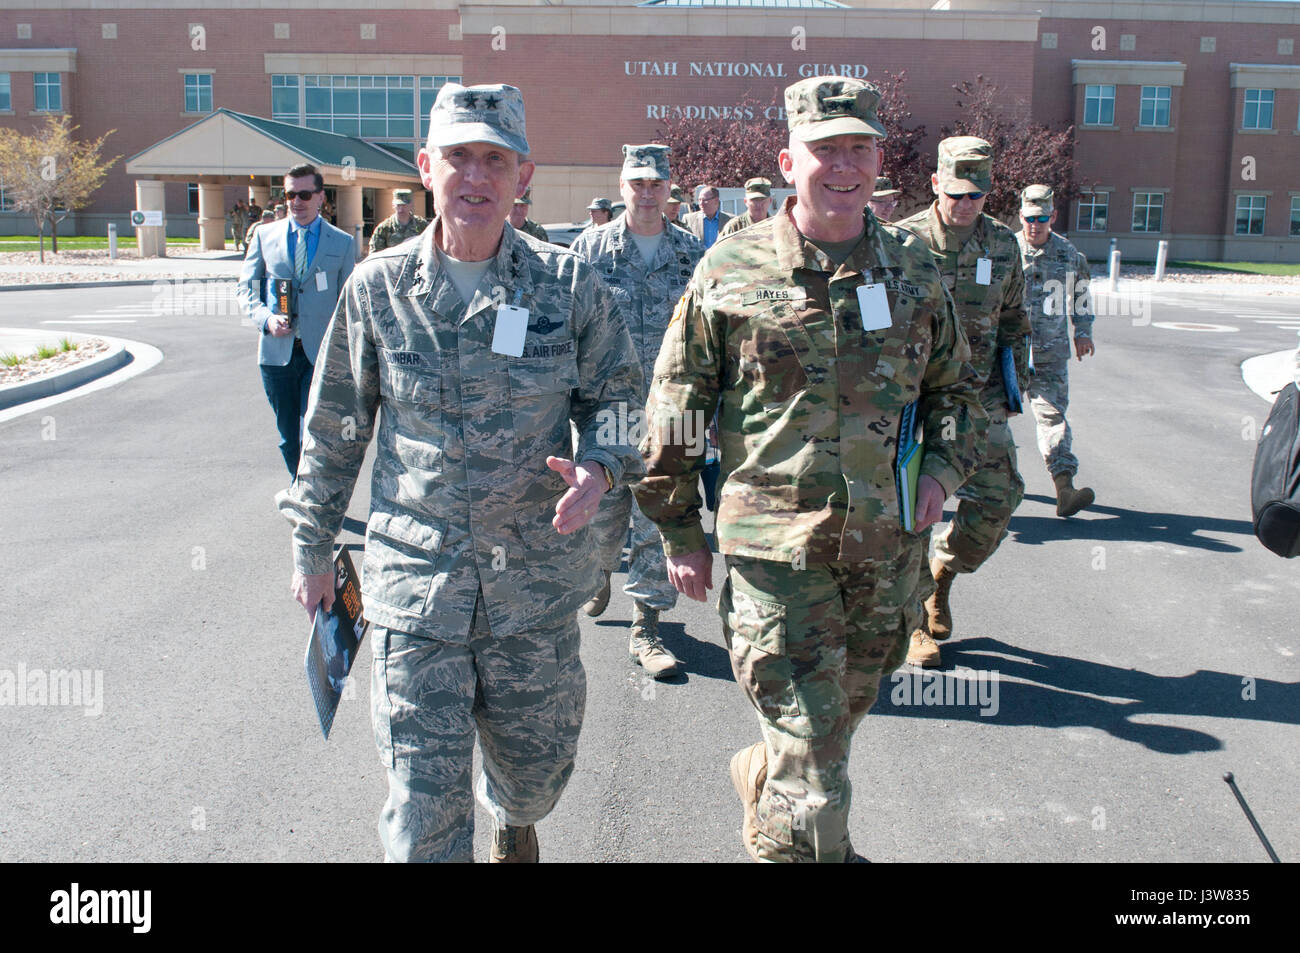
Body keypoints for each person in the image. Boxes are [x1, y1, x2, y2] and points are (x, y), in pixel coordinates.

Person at [276, 83, 644, 863]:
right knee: (421, 815)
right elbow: (336, 426)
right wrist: (312, 548)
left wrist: (602, 468)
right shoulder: (378, 288)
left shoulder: (567, 284)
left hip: (534, 591)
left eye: (494, 159)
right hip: (418, 589)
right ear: (424, 168)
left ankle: (516, 814)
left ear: (522, 174)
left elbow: (621, 396)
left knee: (537, 774)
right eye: (457, 157)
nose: (475, 177)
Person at [633, 76, 983, 862]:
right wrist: (679, 529)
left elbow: (958, 387)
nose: (843, 164)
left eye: (858, 147)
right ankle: (805, 835)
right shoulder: (730, 270)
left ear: (880, 159)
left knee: (828, 735)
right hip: (775, 563)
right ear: (790, 161)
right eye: (826, 149)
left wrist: (944, 472)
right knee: (817, 794)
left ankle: (772, 778)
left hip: (887, 561)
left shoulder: (916, 271)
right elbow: (677, 407)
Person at [569, 144, 705, 677]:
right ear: (622, 186)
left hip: (676, 415)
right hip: (609, 411)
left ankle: (646, 625)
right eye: (637, 183)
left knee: (660, 519)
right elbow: (566, 328)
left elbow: (710, 337)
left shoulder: (693, 254)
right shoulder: (590, 249)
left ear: (670, 189)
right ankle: (601, 570)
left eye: (657, 184)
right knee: (605, 520)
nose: (647, 193)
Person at [895, 137, 1030, 668]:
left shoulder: (1002, 244)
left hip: (979, 401)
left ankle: (942, 576)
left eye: (977, 195)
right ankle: (912, 622)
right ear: (935, 184)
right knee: (909, 514)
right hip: (913, 401)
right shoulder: (901, 240)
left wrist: (1017, 384)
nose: (966, 204)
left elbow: (1014, 318)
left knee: (999, 500)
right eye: (956, 193)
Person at [239, 163, 356, 477]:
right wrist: (266, 319)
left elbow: (348, 302)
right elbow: (247, 289)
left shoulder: (342, 243)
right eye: (290, 194)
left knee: (315, 429)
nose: (296, 201)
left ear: (320, 197)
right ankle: (298, 483)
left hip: (320, 355)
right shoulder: (264, 236)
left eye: (304, 194)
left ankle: (313, 491)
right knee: (289, 435)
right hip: (277, 355)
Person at [1015, 184, 1096, 517]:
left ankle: (1064, 488)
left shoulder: (1067, 254)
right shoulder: (1004, 249)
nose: (1035, 225)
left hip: (1050, 353)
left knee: (1053, 419)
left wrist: (1083, 332)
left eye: (1043, 218)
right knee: (988, 419)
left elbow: (1080, 295)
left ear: (1054, 216)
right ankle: (981, 487)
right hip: (1007, 352)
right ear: (1020, 215)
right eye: (1030, 218)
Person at [369, 188, 429, 254]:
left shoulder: (421, 225)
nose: (401, 209)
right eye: (398, 205)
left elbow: (430, 247)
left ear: (411, 205)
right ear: (393, 206)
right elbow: (374, 254)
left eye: (404, 205)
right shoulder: (384, 228)